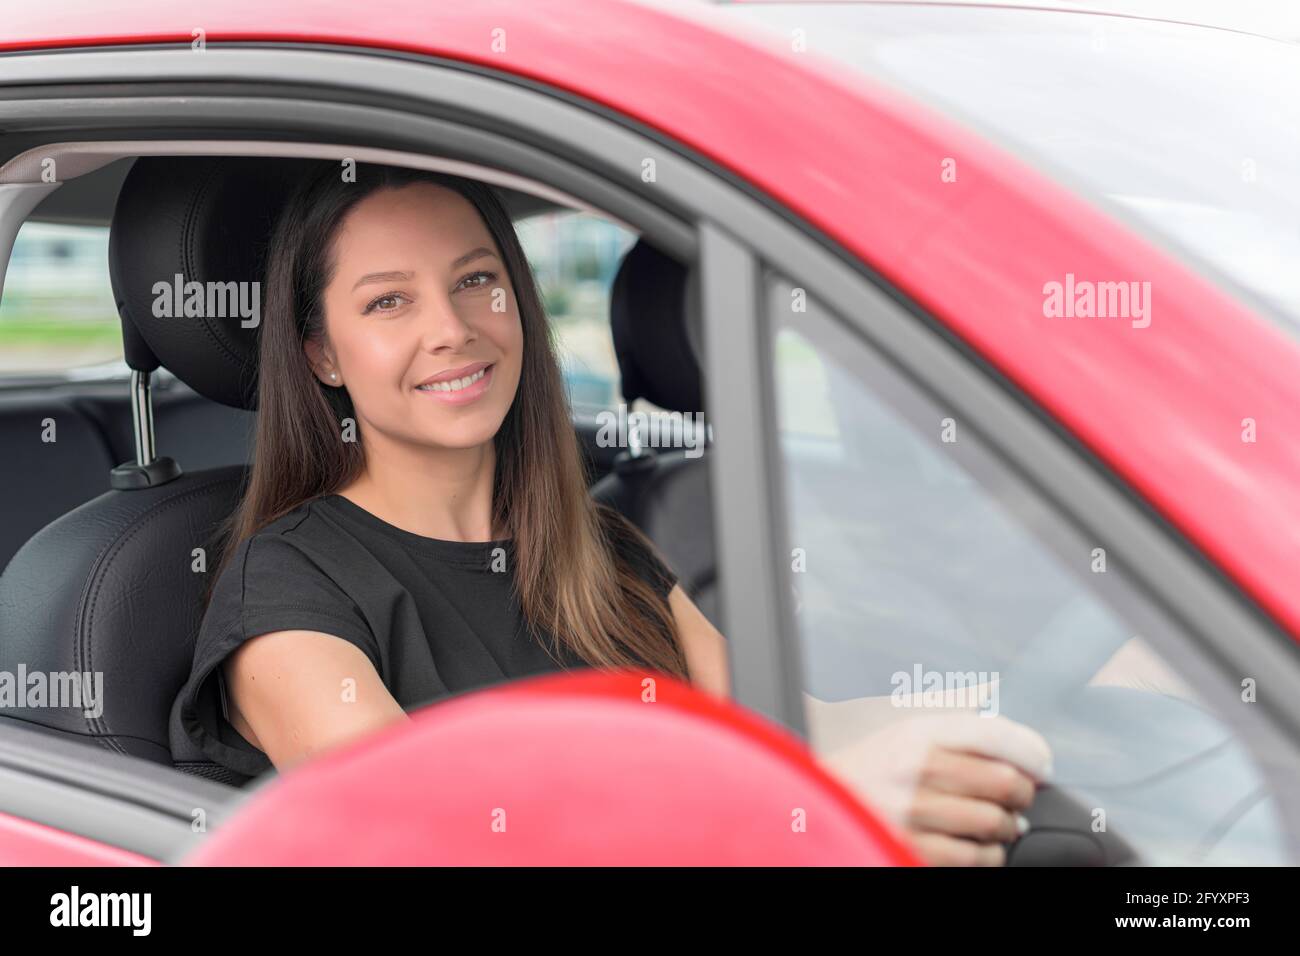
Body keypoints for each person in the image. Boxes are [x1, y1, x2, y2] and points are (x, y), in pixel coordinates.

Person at [171, 161, 1050, 866]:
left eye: (477, 281)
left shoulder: (597, 547)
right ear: (323, 353)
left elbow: (789, 723)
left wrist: (1031, 708)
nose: (452, 328)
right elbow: (434, 840)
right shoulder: (283, 592)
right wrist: (793, 817)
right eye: (389, 301)